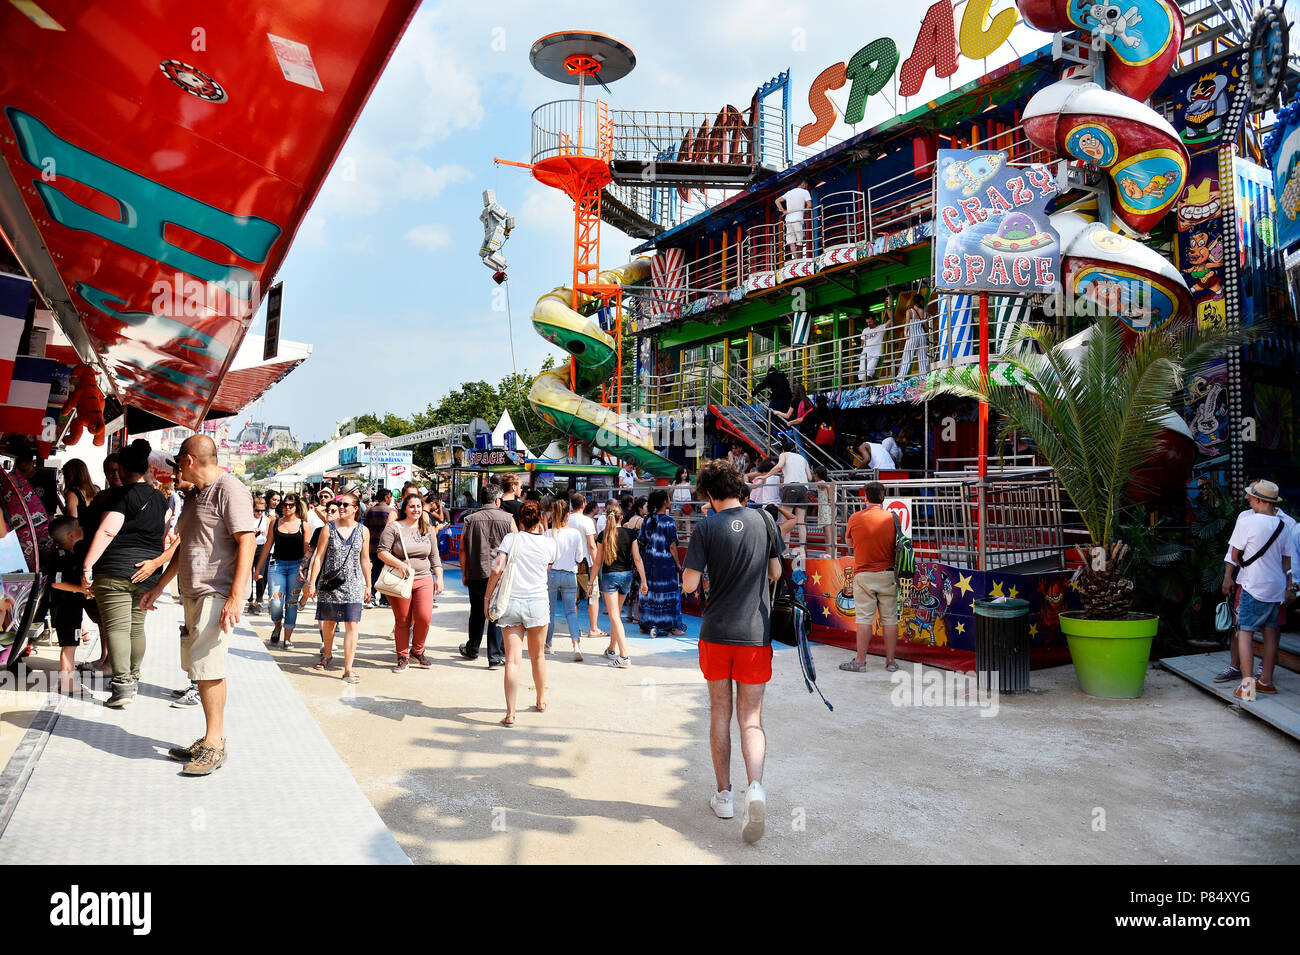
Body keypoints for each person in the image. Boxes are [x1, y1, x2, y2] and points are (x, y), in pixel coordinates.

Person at [680, 460, 784, 844]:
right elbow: (775, 574)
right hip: (755, 634)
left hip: (716, 633)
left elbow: (690, 586)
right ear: (740, 488)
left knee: (720, 713)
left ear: (709, 494)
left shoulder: (706, 528)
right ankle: (754, 788)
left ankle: (723, 795)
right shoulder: (766, 522)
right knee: (751, 719)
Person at [142, 434, 256, 776]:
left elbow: (247, 542)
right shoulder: (194, 496)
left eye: (177, 465)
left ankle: (215, 743)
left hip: (215, 591)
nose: (175, 472)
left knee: (209, 668)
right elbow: (183, 548)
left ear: (190, 460)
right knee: (197, 668)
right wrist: (159, 586)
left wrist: (236, 596)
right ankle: (210, 737)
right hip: (191, 592)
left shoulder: (230, 490)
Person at [81, 439, 167, 709]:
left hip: (115, 568)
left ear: (124, 469)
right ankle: (134, 678)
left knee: (117, 627)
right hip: (147, 570)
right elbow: (162, 536)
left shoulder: (120, 495)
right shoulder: (161, 499)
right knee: (135, 627)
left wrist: (87, 567)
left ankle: (122, 687)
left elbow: (107, 531)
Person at [483, 500, 557, 725]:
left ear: (519, 519)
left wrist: (487, 598)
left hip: (511, 602)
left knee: (512, 661)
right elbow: (547, 567)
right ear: (540, 520)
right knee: (538, 656)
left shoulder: (511, 539)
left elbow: (497, 569)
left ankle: (510, 713)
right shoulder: (549, 544)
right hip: (537, 603)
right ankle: (541, 699)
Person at [1219, 481, 1295, 698]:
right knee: (1270, 633)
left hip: (1253, 585)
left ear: (1260, 500)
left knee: (1245, 633)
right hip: (1276, 588)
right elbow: (1287, 563)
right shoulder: (1283, 525)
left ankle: (1247, 687)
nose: (1248, 499)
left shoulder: (1248, 522)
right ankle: (1266, 681)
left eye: (1251, 496)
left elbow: (1234, 556)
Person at [302, 492, 370, 683]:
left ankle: (348, 669)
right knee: (329, 622)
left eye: (345, 505)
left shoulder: (363, 531)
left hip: (354, 584)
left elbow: (365, 560)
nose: (341, 508)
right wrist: (312, 582)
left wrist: (368, 585)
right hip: (330, 583)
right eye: (340, 505)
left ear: (355, 509)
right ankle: (328, 653)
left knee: (352, 624)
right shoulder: (328, 529)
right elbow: (319, 557)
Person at [377, 492, 444, 672]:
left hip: (424, 578)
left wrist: (439, 577)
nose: (416, 509)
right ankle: (402, 656)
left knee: (424, 617)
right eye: (412, 506)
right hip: (400, 580)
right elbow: (382, 552)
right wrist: (399, 564)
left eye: (418, 506)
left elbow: (434, 555)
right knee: (403, 620)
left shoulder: (427, 528)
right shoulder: (394, 528)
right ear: (404, 509)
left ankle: (417, 650)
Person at [840, 480, 900, 674]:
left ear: (865, 497)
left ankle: (860, 662)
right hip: (888, 574)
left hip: (864, 575)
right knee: (890, 619)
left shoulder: (855, 518)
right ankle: (890, 662)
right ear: (883, 497)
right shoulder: (892, 518)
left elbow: (849, 542)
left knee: (864, 619)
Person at [459, 482, 514, 668]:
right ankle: (494, 656)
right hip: (500, 575)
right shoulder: (508, 519)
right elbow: (516, 547)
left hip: (476, 572)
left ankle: (472, 649)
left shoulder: (469, 519)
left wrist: (464, 573)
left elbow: (462, 549)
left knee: (476, 613)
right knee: (496, 613)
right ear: (498, 500)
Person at [591, 502, 646, 668]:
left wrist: (590, 580)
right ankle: (611, 649)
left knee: (614, 616)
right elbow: (637, 558)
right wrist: (644, 579)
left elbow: (598, 562)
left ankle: (624, 656)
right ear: (622, 517)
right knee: (617, 617)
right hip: (627, 576)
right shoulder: (630, 534)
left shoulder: (603, 535)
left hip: (610, 577)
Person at [256, 494, 309, 648]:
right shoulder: (275, 523)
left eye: (290, 505)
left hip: (296, 567)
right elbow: (267, 546)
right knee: (276, 603)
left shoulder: (303, 525)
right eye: (285, 504)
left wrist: (305, 571)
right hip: (277, 566)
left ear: (296, 506)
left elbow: (307, 552)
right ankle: (277, 626)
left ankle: (287, 638)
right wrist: (258, 568)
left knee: (291, 603)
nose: (287, 507)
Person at [48, 516, 88, 695]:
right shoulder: (61, 557)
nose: (82, 528)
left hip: (71, 607)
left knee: (71, 644)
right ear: (71, 535)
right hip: (64, 608)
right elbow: (57, 583)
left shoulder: (71, 555)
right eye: (78, 526)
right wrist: (82, 590)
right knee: (69, 646)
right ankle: (68, 684)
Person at [637, 490, 686, 636]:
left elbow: (641, 540)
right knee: (668, 594)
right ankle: (670, 625)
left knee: (649, 592)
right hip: (665, 564)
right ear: (665, 502)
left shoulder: (647, 520)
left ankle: (646, 624)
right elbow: (672, 546)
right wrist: (678, 564)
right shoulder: (668, 522)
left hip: (649, 561)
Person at [545, 497, 586, 660]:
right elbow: (579, 557)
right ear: (568, 515)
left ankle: (548, 643)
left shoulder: (549, 533)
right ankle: (576, 644)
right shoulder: (575, 534)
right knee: (571, 612)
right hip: (570, 574)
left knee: (550, 612)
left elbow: (546, 557)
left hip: (552, 574)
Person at [751, 440, 813, 547]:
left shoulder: (784, 454)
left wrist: (765, 476)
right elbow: (810, 478)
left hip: (790, 487)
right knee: (801, 521)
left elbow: (779, 466)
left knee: (786, 521)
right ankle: (802, 549)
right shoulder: (803, 458)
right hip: (803, 488)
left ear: (783, 450)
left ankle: (785, 550)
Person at [569, 492, 605, 640]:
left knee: (573, 598)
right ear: (583, 504)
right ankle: (593, 628)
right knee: (593, 596)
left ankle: (575, 628)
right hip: (587, 563)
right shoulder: (587, 521)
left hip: (570, 563)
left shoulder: (567, 520)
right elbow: (591, 545)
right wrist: (597, 562)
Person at [363, 488, 396, 609]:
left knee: (375, 571)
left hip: (371, 546)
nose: (391, 499)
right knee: (385, 572)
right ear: (387, 497)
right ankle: (384, 599)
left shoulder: (369, 511)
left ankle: (370, 596)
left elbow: (366, 528)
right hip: (386, 548)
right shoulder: (391, 511)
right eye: (390, 496)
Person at [775, 178, 813, 259]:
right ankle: (799, 259)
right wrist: (804, 212)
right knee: (800, 241)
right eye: (806, 184)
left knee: (791, 241)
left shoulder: (789, 192)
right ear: (803, 184)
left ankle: (795, 258)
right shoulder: (805, 192)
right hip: (798, 218)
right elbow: (809, 205)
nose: (806, 186)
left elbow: (777, 201)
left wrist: (783, 211)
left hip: (788, 219)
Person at [247, 493, 271, 614]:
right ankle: (250, 601)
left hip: (262, 547)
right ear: (252, 508)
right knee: (248, 575)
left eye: (262, 510)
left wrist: (267, 533)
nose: (260, 513)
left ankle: (259, 601)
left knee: (260, 576)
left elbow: (269, 536)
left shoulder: (267, 520)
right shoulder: (247, 518)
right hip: (250, 547)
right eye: (257, 510)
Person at [895, 299, 930, 381]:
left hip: (912, 336)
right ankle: (924, 377)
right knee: (923, 357)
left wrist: (905, 332)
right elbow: (926, 325)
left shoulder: (910, 311)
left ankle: (901, 378)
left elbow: (907, 322)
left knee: (907, 357)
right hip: (922, 335)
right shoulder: (924, 312)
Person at [774, 384, 814, 455]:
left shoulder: (795, 401)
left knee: (802, 449)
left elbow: (787, 416)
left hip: (797, 426)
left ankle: (805, 464)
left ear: (796, 392)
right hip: (806, 427)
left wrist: (778, 412)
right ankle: (793, 451)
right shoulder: (807, 400)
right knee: (789, 435)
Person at [858, 314, 890, 384]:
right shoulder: (865, 330)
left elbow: (891, 319)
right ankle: (864, 391)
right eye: (867, 322)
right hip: (864, 354)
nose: (868, 324)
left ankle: (864, 390)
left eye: (870, 322)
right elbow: (862, 341)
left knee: (869, 374)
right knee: (862, 375)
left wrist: (887, 308)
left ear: (874, 320)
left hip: (875, 354)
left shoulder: (881, 328)